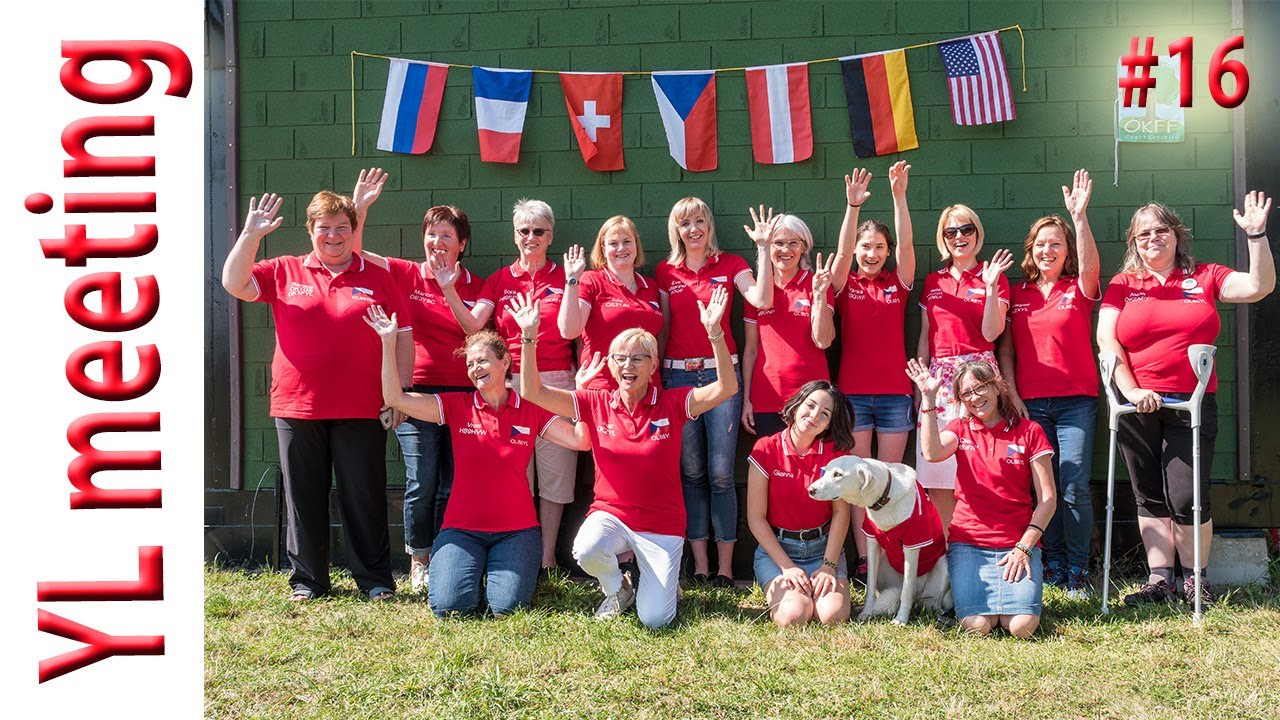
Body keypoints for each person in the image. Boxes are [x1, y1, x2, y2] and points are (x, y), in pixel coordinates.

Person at [221, 190, 408, 602]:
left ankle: (375, 581)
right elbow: (234, 283)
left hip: (363, 407)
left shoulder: (378, 277)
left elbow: (404, 338)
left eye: (343, 228)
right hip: (297, 405)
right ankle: (308, 580)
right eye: (325, 228)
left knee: (364, 494)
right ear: (311, 231)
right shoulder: (285, 270)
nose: (334, 236)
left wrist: (401, 395)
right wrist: (250, 234)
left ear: (354, 230)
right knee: (303, 496)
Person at [515, 287, 739, 628]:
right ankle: (618, 587)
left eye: (638, 358)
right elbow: (533, 392)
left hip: (661, 525)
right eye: (619, 358)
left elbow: (726, 388)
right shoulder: (595, 401)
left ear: (653, 366)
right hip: (612, 517)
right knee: (586, 549)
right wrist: (529, 339)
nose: (627, 365)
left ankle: (657, 580)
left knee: (655, 620)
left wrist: (715, 333)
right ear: (609, 364)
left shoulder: (673, 403)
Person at [1096, 192, 1274, 606]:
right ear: (1133, 243)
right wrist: (1131, 388)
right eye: (1143, 234)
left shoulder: (1206, 275)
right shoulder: (1124, 285)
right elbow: (1106, 340)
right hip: (1136, 402)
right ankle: (1160, 580)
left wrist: (1256, 236)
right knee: (1148, 493)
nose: (1152, 238)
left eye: (1161, 230)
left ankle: (1195, 579)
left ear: (1176, 235)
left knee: (1188, 495)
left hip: (1191, 401)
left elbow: (1258, 287)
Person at [366, 306, 588, 617]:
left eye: (482, 360)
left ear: (505, 362)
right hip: (461, 530)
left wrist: (585, 396)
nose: (475, 368)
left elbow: (580, 440)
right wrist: (389, 344)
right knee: (449, 608)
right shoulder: (457, 406)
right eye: (470, 364)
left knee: (505, 609)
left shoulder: (530, 408)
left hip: (518, 532)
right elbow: (395, 399)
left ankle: (495, 572)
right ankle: (469, 569)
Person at [440, 199, 578, 574]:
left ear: (550, 236)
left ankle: (546, 556)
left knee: (555, 475)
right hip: (510, 385)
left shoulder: (565, 276)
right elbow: (474, 326)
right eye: (523, 231)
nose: (530, 238)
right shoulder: (499, 281)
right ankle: (520, 552)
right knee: (517, 473)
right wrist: (449, 290)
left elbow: (575, 332)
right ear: (514, 235)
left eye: (538, 231)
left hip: (554, 384)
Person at [656, 198, 774, 587]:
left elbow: (762, 299)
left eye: (700, 221)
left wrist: (762, 248)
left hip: (721, 377)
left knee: (722, 473)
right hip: (678, 379)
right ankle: (700, 565)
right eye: (685, 222)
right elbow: (665, 330)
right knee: (690, 472)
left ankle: (725, 569)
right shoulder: (665, 271)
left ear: (710, 225)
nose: (694, 229)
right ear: (676, 229)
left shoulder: (731, 264)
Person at [996, 170, 1100, 599]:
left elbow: (1092, 266)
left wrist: (1079, 216)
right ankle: (1051, 560)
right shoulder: (1017, 293)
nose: (1047, 250)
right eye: (1040, 244)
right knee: (1043, 486)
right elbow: (1005, 352)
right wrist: (1013, 394)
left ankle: (1078, 568)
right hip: (1031, 405)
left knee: (1073, 484)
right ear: (1030, 251)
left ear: (1066, 251)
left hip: (1077, 401)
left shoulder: (1079, 288)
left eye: (1056, 244)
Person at [909, 358, 1056, 639]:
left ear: (997, 387)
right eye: (967, 394)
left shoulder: (1029, 431)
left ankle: (1015, 598)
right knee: (978, 625)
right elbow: (932, 453)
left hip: (1018, 544)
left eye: (980, 388)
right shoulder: (960, 428)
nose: (975, 398)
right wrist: (927, 399)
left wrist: (1025, 547)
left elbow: (1048, 499)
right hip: (969, 545)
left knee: (1021, 627)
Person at [831, 162, 916, 582]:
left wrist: (899, 197)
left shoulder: (897, 283)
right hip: (854, 397)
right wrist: (853, 209)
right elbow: (843, 254)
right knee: (858, 482)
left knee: (887, 482)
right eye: (867, 247)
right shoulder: (845, 284)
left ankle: (890, 558)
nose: (871, 253)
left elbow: (907, 247)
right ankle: (865, 561)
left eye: (878, 247)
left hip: (896, 396)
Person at [916, 204, 1014, 531]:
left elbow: (991, 333)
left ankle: (981, 544)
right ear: (943, 238)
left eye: (966, 229)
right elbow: (925, 335)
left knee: (980, 463)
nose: (960, 237)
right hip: (939, 380)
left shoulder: (994, 277)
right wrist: (921, 387)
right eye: (951, 231)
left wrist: (988, 286)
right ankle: (945, 554)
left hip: (980, 375)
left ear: (977, 233)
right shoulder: (933, 280)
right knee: (939, 474)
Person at [746, 381, 855, 626]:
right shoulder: (766, 449)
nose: (815, 415)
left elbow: (841, 514)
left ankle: (820, 588)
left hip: (823, 549)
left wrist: (829, 565)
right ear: (796, 405)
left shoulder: (836, 454)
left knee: (832, 616)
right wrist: (787, 567)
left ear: (829, 424)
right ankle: (799, 595)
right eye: (811, 405)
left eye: (825, 414)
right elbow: (756, 518)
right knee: (793, 616)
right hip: (778, 552)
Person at [741, 215, 836, 438]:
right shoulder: (757, 293)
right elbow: (751, 350)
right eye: (779, 243)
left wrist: (820, 296)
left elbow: (823, 341)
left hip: (811, 401)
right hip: (767, 398)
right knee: (773, 469)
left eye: (793, 242)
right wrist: (746, 399)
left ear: (804, 247)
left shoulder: (817, 284)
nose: (786, 249)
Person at [558, 216, 663, 391]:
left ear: (636, 245)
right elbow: (569, 331)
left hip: (648, 389)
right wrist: (572, 280)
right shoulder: (591, 281)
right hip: (603, 388)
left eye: (627, 241)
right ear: (603, 249)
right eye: (613, 243)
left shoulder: (650, 286)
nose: (621, 248)